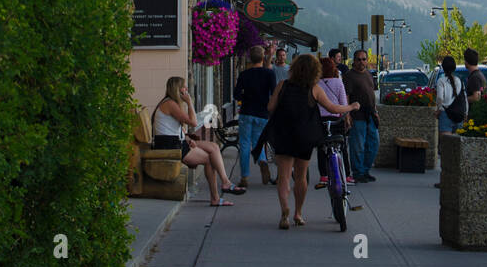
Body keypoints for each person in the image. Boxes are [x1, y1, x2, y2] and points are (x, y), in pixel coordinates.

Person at [260, 53, 359, 228]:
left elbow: (270, 107)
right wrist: (351, 106)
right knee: (301, 177)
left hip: (283, 134)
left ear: (294, 68)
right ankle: (298, 213)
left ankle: (285, 211)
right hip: (304, 135)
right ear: (315, 71)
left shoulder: (283, 85)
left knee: (283, 176)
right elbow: (333, 108)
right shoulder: (314, 88)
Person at [152, 77, 244, 205]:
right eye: (184, 87)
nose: (187, 89)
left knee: (214, 147)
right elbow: (194, 122)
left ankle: (225, 182)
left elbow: (177, 129)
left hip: (176, 141)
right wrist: (189, 102)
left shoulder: (172, 103)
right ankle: (217, 197)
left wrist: (188, 138)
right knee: (209, 159)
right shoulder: (170, 104)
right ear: (177, 89)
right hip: (170, 146)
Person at [233, 45, 277, 188]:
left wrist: (245, 96)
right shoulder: (269, 74)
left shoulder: (244, 74)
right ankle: (262, 161)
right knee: (259, 143)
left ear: (250, 58)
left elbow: (236, 95)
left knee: (245, 144)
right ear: (263, 57)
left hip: (246, 112)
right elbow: (274, 92)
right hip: (263, 113)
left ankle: (244, 177)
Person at [314, 56, 352, 189]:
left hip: (321, 120)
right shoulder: (338, 82)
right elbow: (343, 103)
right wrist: (347, 118)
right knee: (342, 146)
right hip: (336, 119)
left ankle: (324, 175)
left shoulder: (315, 83)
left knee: (321, 147)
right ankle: (347, 174)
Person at [344, 48, 380, 182]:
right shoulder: (349, 76)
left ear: (367, 60)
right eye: (358, 59)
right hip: (357, 115)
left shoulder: (369, 75)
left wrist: (375, 112)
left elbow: (372, 94)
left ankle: (365, 170)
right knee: (358, 145)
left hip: (370, 114)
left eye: (364, 59)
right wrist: (347, 115)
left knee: (374, 143)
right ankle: (358, 172)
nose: (361, 62)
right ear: (354, 61)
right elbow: (346, 96)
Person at [436, 55, 466, 133]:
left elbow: (439, 98)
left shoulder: (441, 81)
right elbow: (464, 99)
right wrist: (466, 113)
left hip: (445, 114)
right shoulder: (459, 80)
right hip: (459, 114)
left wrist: (439, 109)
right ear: (454, 68)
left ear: (443, 67)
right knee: (457, 142)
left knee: (446, 142)